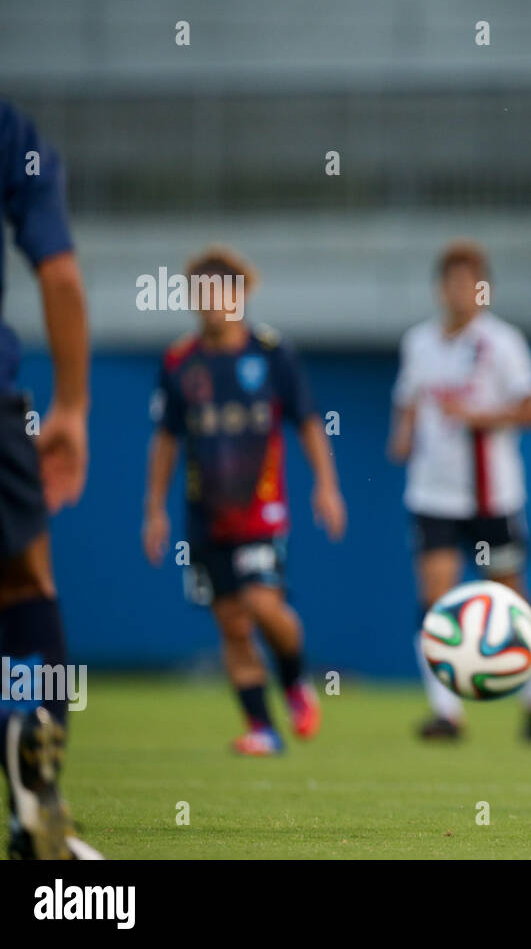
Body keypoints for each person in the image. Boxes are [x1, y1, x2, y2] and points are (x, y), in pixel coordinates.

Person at [142, 246, 347, 756]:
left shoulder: (272, 353)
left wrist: (326, 484)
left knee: (262, 604)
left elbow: (306, 421)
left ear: (241, 296)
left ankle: (296, 681)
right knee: (232, 624)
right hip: (205, 516)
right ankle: (262, 728)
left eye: (222, 293)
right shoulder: (179, 362)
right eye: (201, 294)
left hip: (262, 510)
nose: (212, 304)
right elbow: (166, 439)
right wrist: (153, 509)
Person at [0, 93, 100, 858]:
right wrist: (72, 406)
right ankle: (40, 800)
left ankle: (5, 726)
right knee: (24, 584)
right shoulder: (4, 128)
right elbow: (59, 275)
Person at [387, 239, 531, 741]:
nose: (463, 293)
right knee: (434, 599)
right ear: (441, 288)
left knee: (510, 598)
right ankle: (447, 712)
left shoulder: (501, 342)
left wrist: (483, 416)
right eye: (454, 283)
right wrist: (402, 433)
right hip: (433, 494)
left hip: (491, 495)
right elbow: (409, 399)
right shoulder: (418, 342)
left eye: (473, 283)